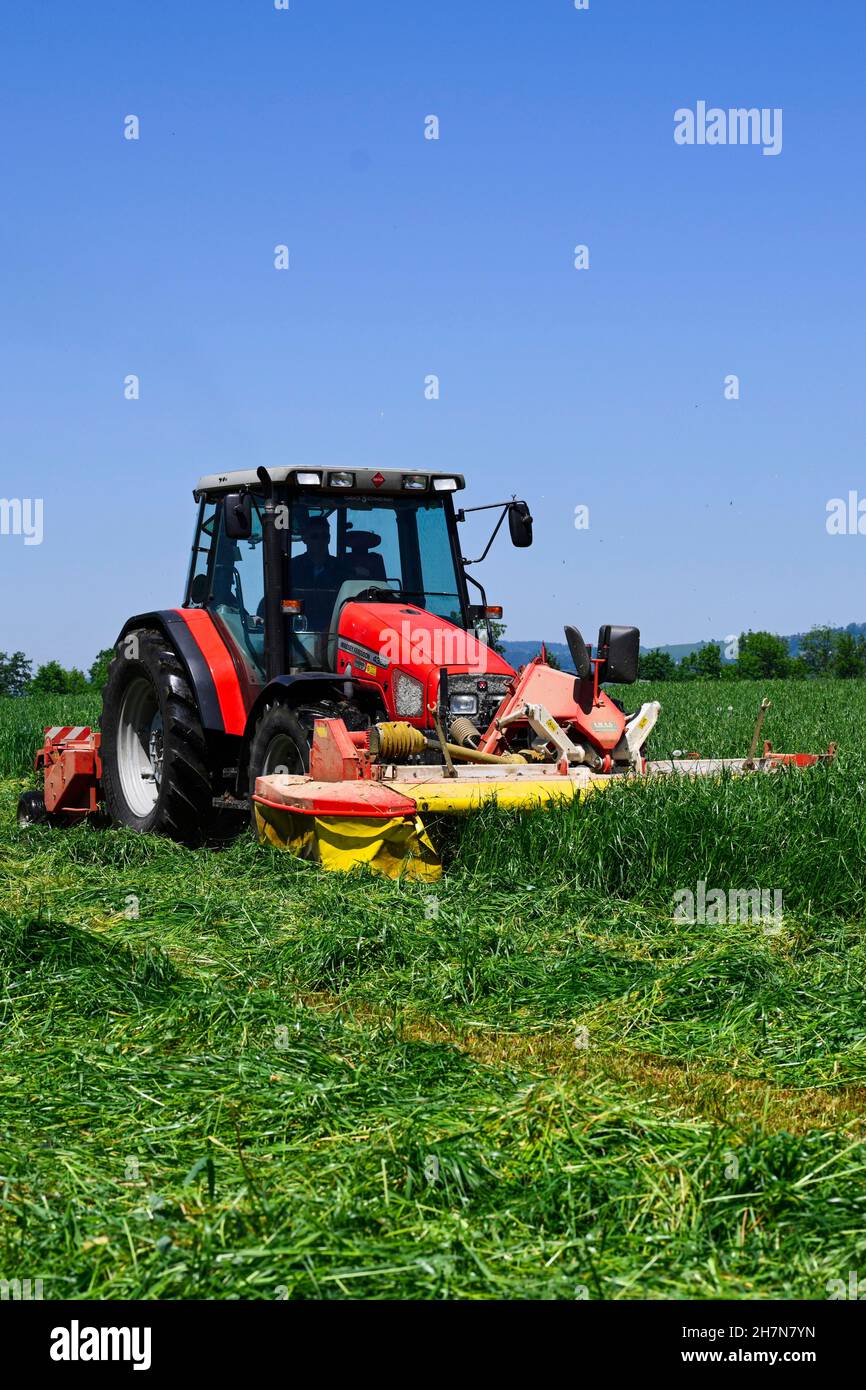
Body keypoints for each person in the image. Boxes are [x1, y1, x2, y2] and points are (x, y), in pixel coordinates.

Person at [290, 515, 345, 629]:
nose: (320, 541)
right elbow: (280, 601)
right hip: (297, 632)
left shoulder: (341, 569)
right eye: (315, 536)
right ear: (304, 539)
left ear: (329, 539)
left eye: (324, 536)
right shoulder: (292, 567)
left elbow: (344, 605)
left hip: (334, 632)